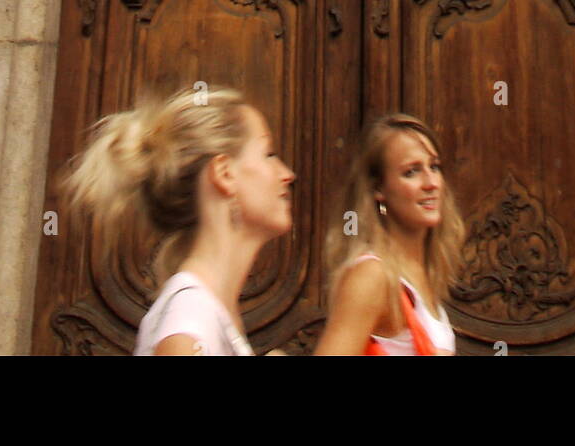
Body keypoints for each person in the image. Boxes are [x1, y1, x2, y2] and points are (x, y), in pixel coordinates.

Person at [63, 85, 294, 356]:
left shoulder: (202, 311)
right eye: (268, 154)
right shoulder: (191, 320)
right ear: (224, 173)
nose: (287, 174)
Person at [313, 113, 463, 355]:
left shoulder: (423, 273)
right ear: (378, 188)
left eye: (434, 167)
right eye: (411, 172)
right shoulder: (372, 275)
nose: (431, 182)